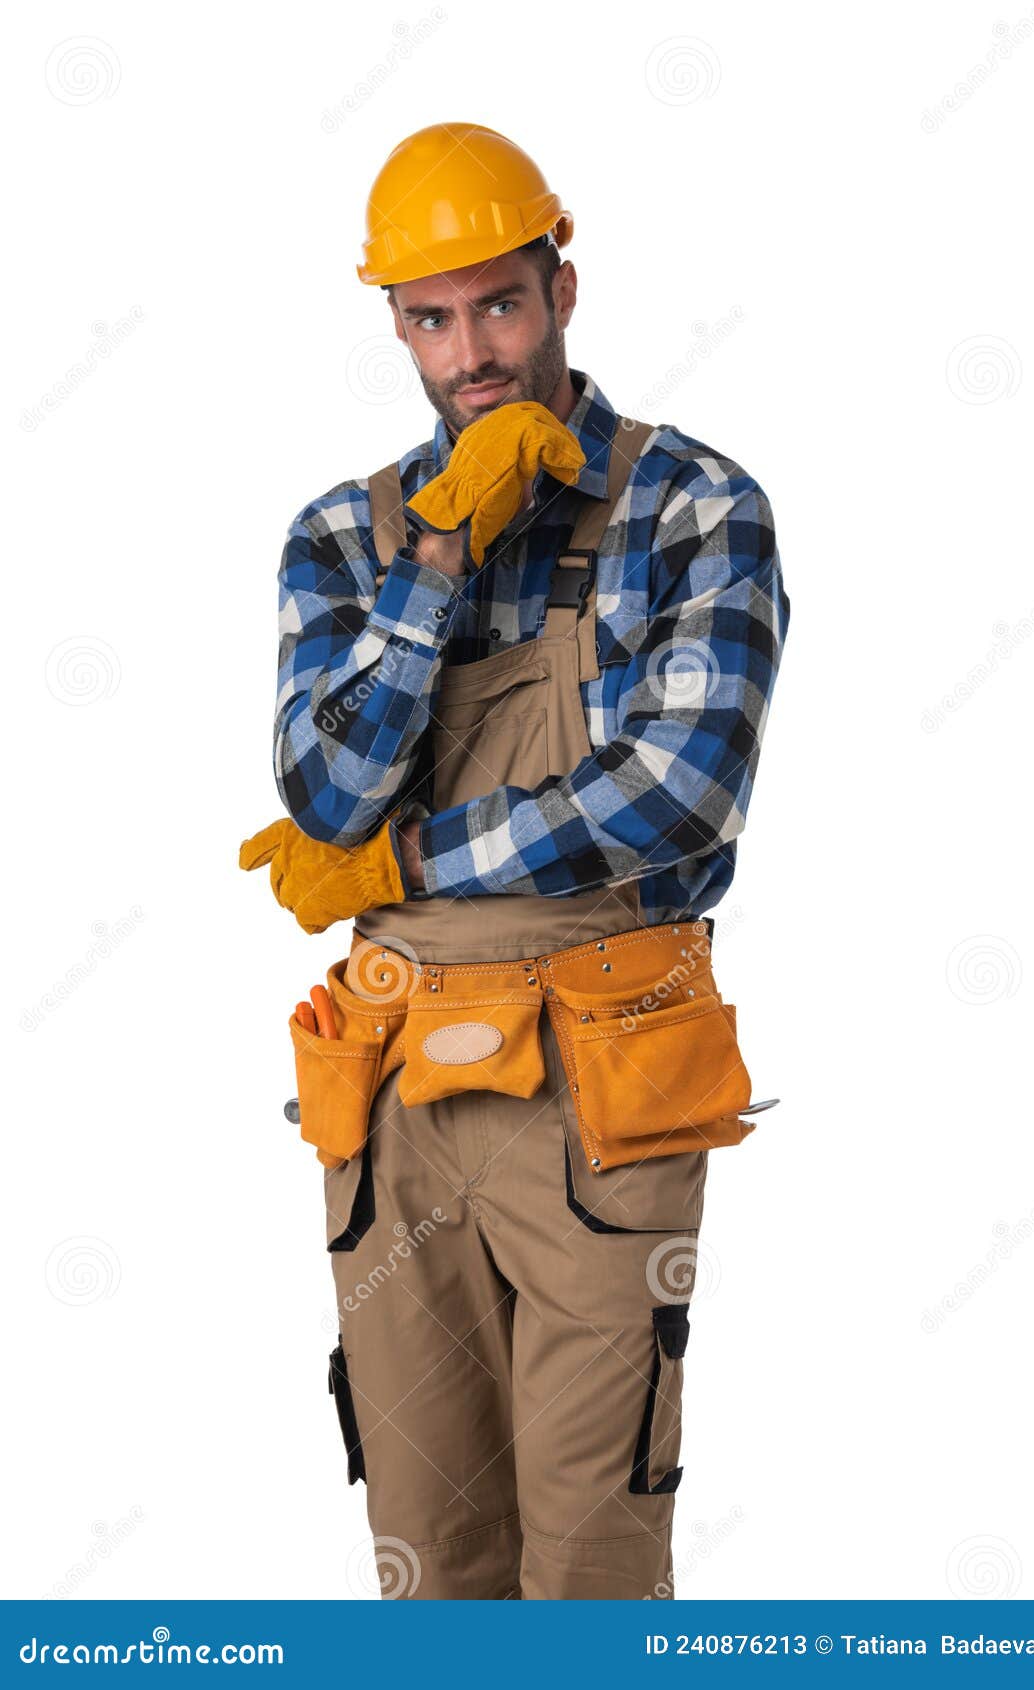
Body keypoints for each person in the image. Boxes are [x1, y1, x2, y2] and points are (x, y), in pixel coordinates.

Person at [240, 121, 790, 1601]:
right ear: (396, 326)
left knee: (594, 1554)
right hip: (394, 1100)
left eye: (500, 302)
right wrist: (435, 567)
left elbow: (674, 796)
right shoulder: (347, 539)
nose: (470, 349)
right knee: (429, 1558)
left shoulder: (693, 508)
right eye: (432, 316)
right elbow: (325, 791)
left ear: (562, 285)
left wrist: (414, 851)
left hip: (601, 1092)